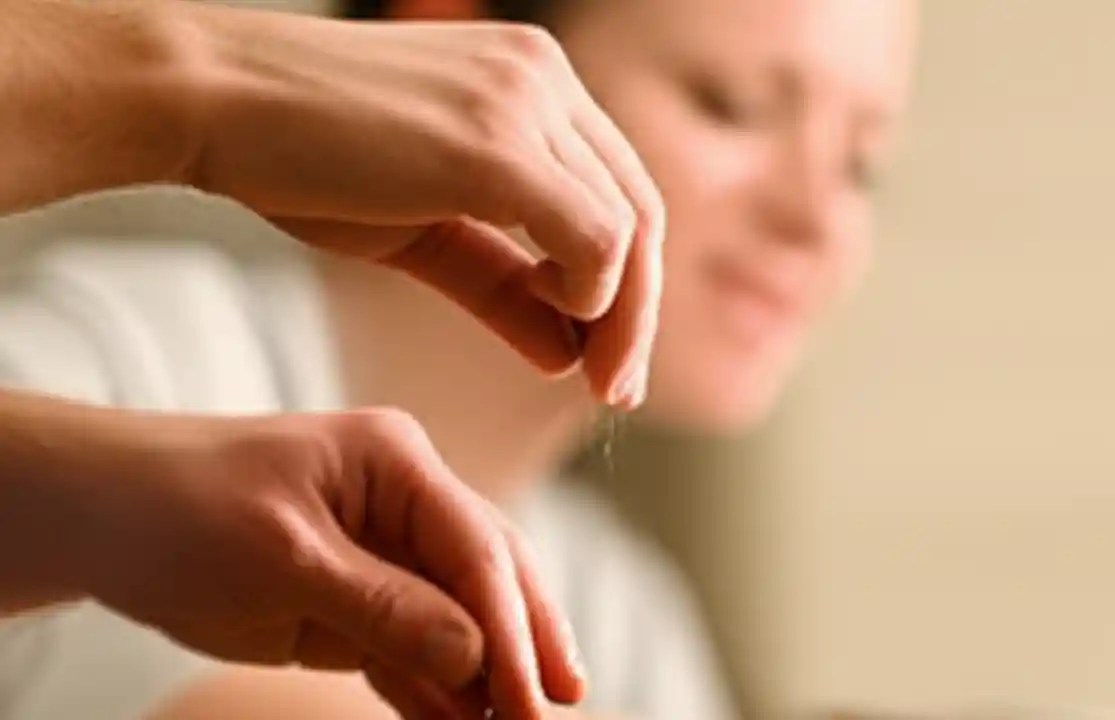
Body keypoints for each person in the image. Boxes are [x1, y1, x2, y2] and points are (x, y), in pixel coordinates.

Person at [1, 0, 915, 717]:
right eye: (732, 105)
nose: (819, 222)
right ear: (444, 40)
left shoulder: (622, 611)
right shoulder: (114, 353)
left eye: (860, 166)